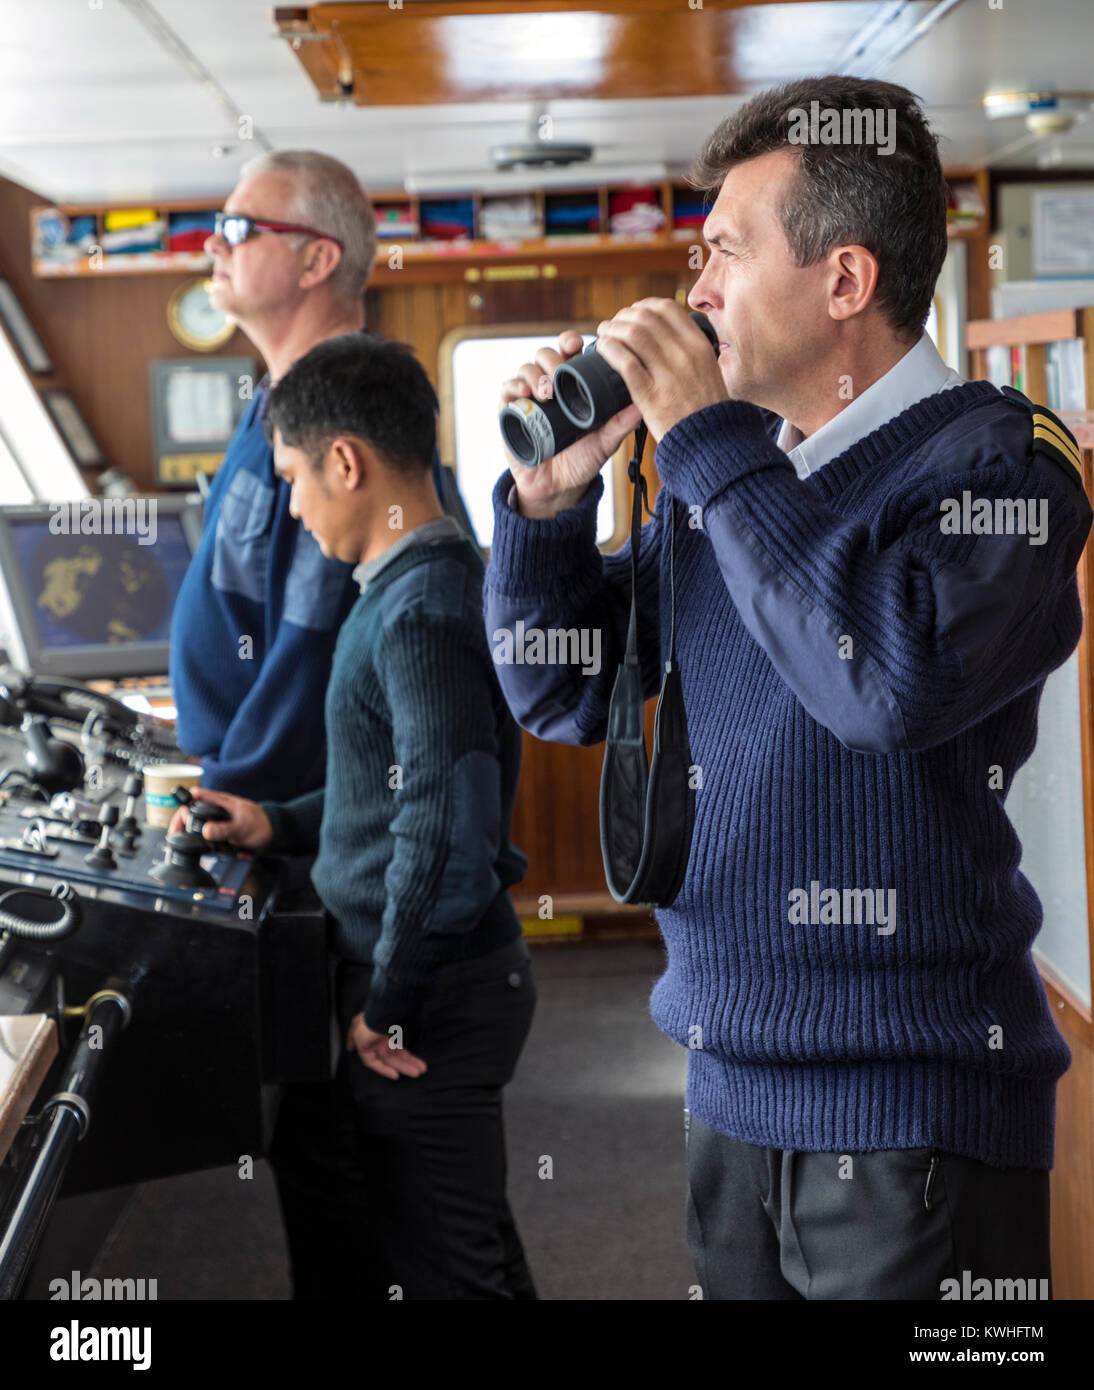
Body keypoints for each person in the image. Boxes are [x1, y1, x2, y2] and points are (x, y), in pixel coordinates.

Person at [484, 75, 1093, 1299]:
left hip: (915, 1106)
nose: (695, 290)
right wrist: (546, 510)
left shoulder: (1004, 465)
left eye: (723, 252)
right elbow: (560, 693)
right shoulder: (734, 479)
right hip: (727, 1085)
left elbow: (888, 680)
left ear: (844, 282)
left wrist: (703, 448)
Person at [176, 332, 536, 1301]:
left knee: (447, 1272)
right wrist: (276, 824)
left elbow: (448, 832)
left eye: (293, 476)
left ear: (346, 462)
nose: (291, 501)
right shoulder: (405, 589)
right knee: (462, 1245)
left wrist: (389, 999)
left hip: (432, 992)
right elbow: (394, 791)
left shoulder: (419, 610)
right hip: (424, 975)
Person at [169, 150, 450, 802]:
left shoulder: (340, 419)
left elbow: (312, 638)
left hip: (283, 810)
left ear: (316, 261)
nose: (213, 241)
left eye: (240, 229)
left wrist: (244, 797)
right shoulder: (276, 402)